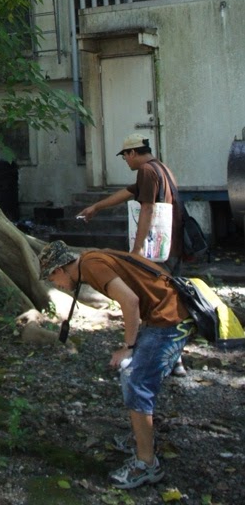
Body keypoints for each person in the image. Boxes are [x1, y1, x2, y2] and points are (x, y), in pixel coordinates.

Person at [38, 240, 194, 490]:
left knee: (136, 381)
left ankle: (147, 464)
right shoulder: (92, 258)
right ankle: (142, 439)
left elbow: (130, 301)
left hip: (168, 318)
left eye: (52, 279)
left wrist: (128, 347)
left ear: (58, 270)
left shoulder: (91, 266)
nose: (56, 285)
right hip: (166, 313)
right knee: (134, 378)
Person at [78, 135, 187, 375]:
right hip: (174, 246)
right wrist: (96, 207)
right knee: (169, 298)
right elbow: (128, 193)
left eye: (125, 156)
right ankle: (175, 358)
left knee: (152, 301)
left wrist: (137, 250)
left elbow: (147, 208)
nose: (126, 161)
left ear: (132, 153)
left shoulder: (146, 171)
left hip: (158, 249)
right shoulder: (161, 168)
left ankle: (157, 359)